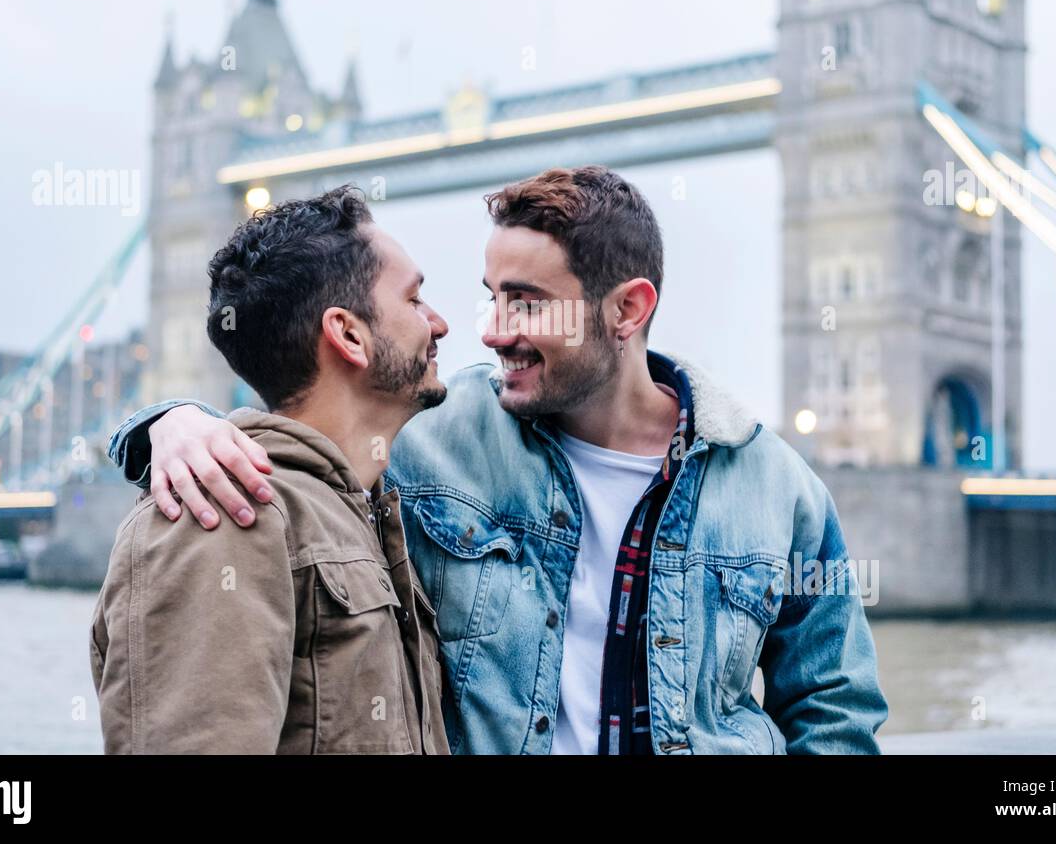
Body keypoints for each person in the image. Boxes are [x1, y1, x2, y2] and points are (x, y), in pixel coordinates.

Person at [108, 165, 890, 754]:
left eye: (524, 302)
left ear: (629, 309)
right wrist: (170, 425)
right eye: (490, 296)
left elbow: (835, 710)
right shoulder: (431, 436)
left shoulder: (777, 487)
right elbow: (305, 423)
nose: (488, 329)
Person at [91, 186, 450, 754]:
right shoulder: (219, 514)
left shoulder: (365, 508)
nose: (441, 323)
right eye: (414, 301)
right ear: (349, 335)